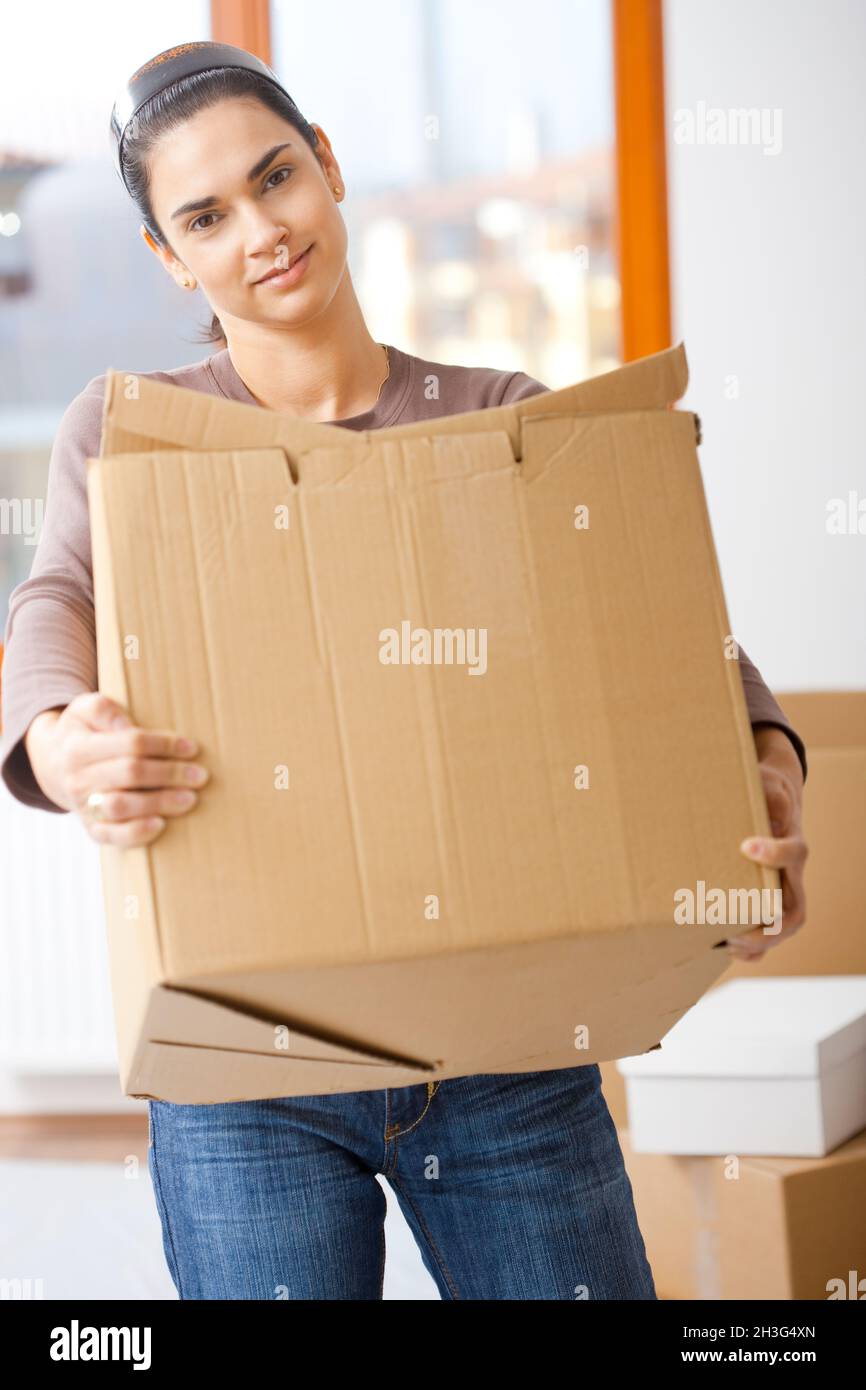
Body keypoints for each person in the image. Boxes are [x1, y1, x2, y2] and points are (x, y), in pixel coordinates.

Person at [0, 42, 808, 1300]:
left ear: (326, 167)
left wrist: (759, 768)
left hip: (509, 1051)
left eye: (276, 179)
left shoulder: (497, 420)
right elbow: (57, 591)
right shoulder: (138, 432)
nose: (260, 230)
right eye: (206, 216)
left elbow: (669, 626)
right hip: (241, 1066)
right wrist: (56, 735)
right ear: (170, 255)